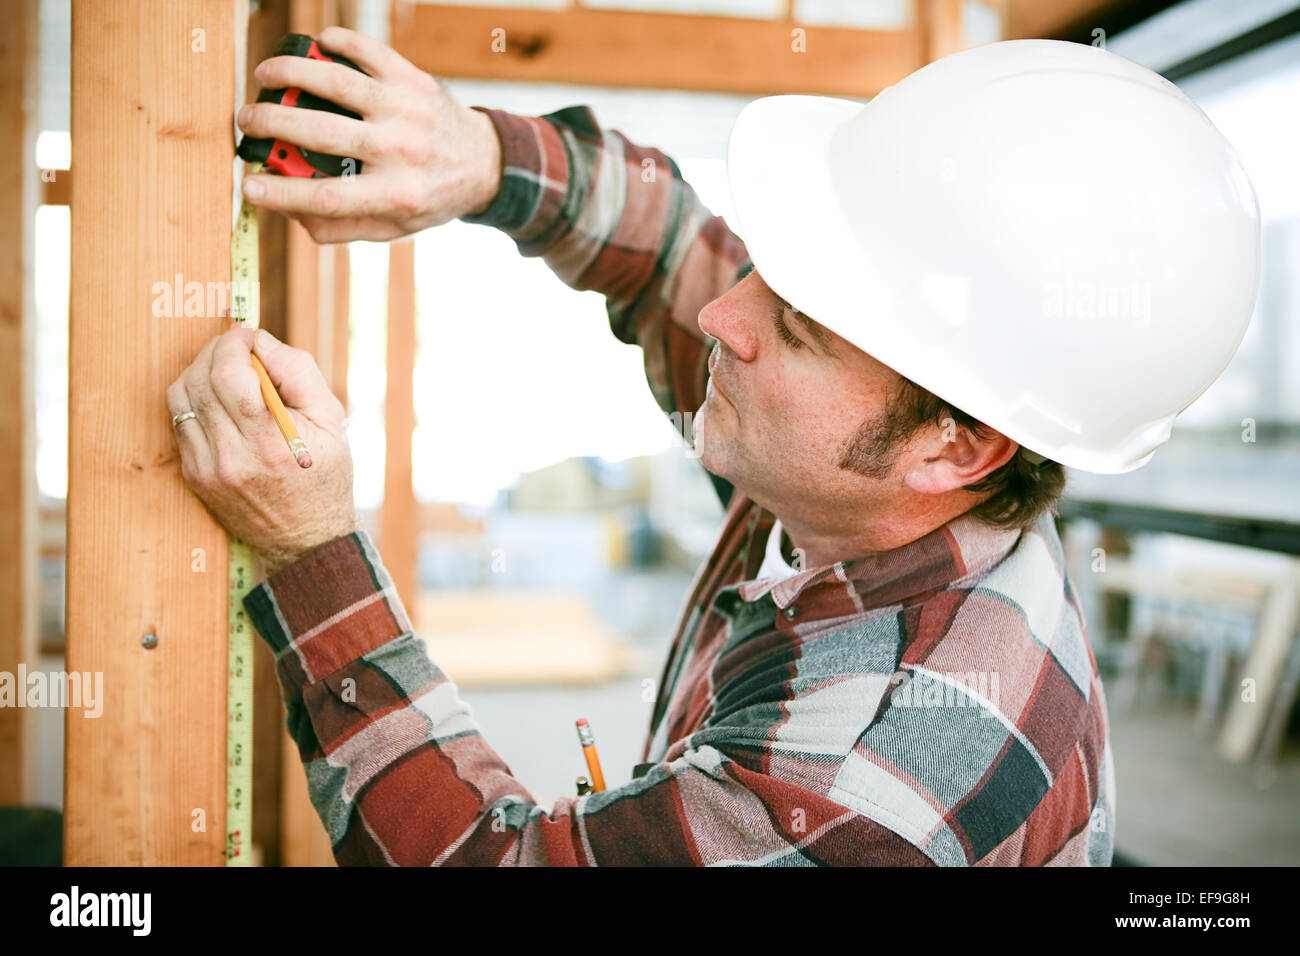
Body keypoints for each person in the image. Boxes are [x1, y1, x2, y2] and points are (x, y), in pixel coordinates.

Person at [167, 29, 1259, 865]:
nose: (723, 316)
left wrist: (310, 550)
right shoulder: (867, 468)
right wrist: (478, 157)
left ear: (954, 447)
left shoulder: (878, 766)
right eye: (769, 277)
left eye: (792, 327)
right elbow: (671, 248)